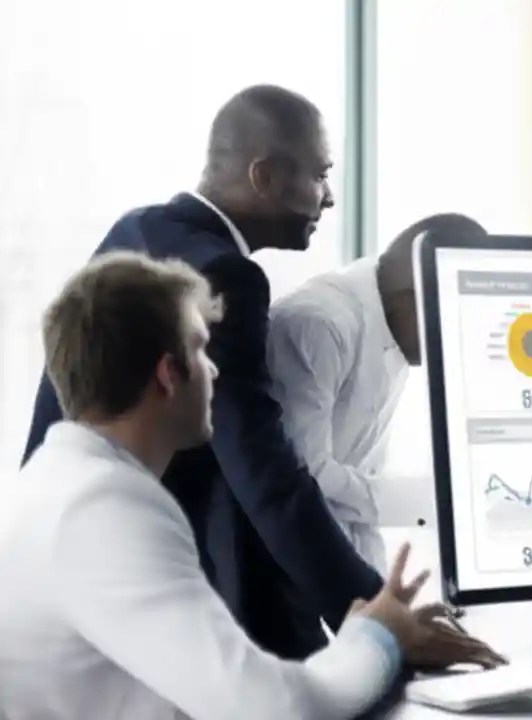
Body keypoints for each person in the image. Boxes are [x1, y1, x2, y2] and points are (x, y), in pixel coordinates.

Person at [19, 85, 498, 667]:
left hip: (59, 564)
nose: (328, 200)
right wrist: (376, 617)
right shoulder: (229, 276)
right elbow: (264, 471)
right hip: (136, 587)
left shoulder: (141, 231)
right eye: (319, 176)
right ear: (265, 176)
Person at [0, 252, 499, 720]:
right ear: (169, 374)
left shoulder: (58, 481)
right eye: (201, 349)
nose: (215, 369)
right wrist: (379, 635)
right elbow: (270, 708)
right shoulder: (104, 509)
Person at [267, 213, 486, 572]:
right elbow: (306, 480)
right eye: (452, 319)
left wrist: (385, 604)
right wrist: (434, 499)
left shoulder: (393, 323)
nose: (453, 343)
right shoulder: (319, 325)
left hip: (336, 569)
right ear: (410, 299)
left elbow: (356, 498)